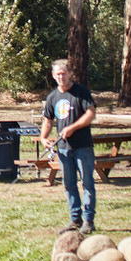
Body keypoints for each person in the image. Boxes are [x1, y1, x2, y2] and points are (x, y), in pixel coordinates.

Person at [41, 57, 97, 233]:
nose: (61, 77)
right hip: (63, 149)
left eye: (64, 73)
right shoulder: (52, 97)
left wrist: (73, 127)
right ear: (53, 75)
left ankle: (88, 220)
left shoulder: (81, 93)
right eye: (58, 74)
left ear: (70, 74)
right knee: (69, 184)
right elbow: (48, 120)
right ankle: (75, 219)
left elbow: (91, 114)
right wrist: (44, 137)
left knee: (87, 183)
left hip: (83, 147)